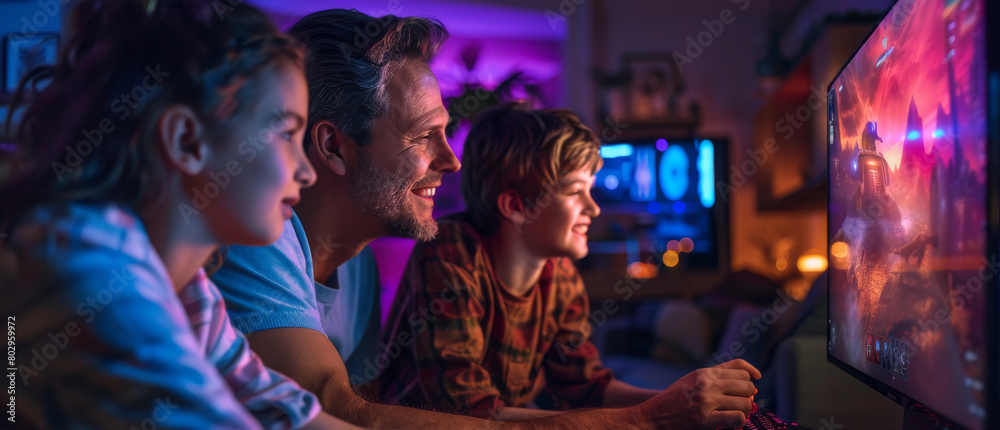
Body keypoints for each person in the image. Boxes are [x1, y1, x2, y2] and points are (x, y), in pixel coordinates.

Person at [211, 8, 760, 430]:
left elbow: (368, 399)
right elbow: (339, 412)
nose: (451, 161)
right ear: (333, 145)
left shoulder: (360, 268)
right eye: (423, 135)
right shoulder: (256, 238)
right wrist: (647, 420)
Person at [0, 1, 358, 428]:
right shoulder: (89, 264)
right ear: (187, 141)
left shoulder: (190, 291)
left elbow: (290, 416)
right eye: (286, 134)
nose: (306, 172)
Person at [378, 102, 761, 424]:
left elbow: (586, 387)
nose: (593, 209)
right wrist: (652, 417)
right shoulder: (450, 253)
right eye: (576, 192)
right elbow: (467, 414)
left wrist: (677, 399)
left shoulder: (560, 274)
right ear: (516, 206)